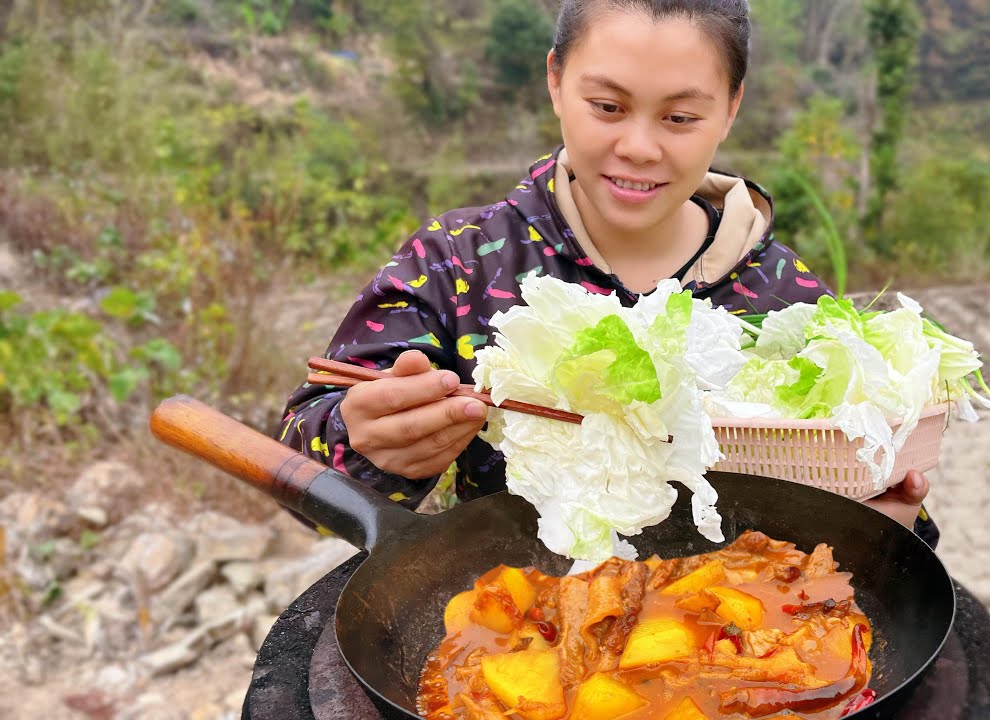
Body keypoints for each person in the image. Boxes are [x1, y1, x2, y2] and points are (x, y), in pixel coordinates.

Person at [277, 0, 938, 548]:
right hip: (516, 637)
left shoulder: (785, 298)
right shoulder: (458, 262)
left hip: (730, 648)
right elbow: (302, 471)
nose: (640, 148)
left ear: (732, 107)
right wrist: (363, 444)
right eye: (608, 107)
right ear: (557, 82)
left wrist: (882, 528)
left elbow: (881, 514)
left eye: (680, 117)